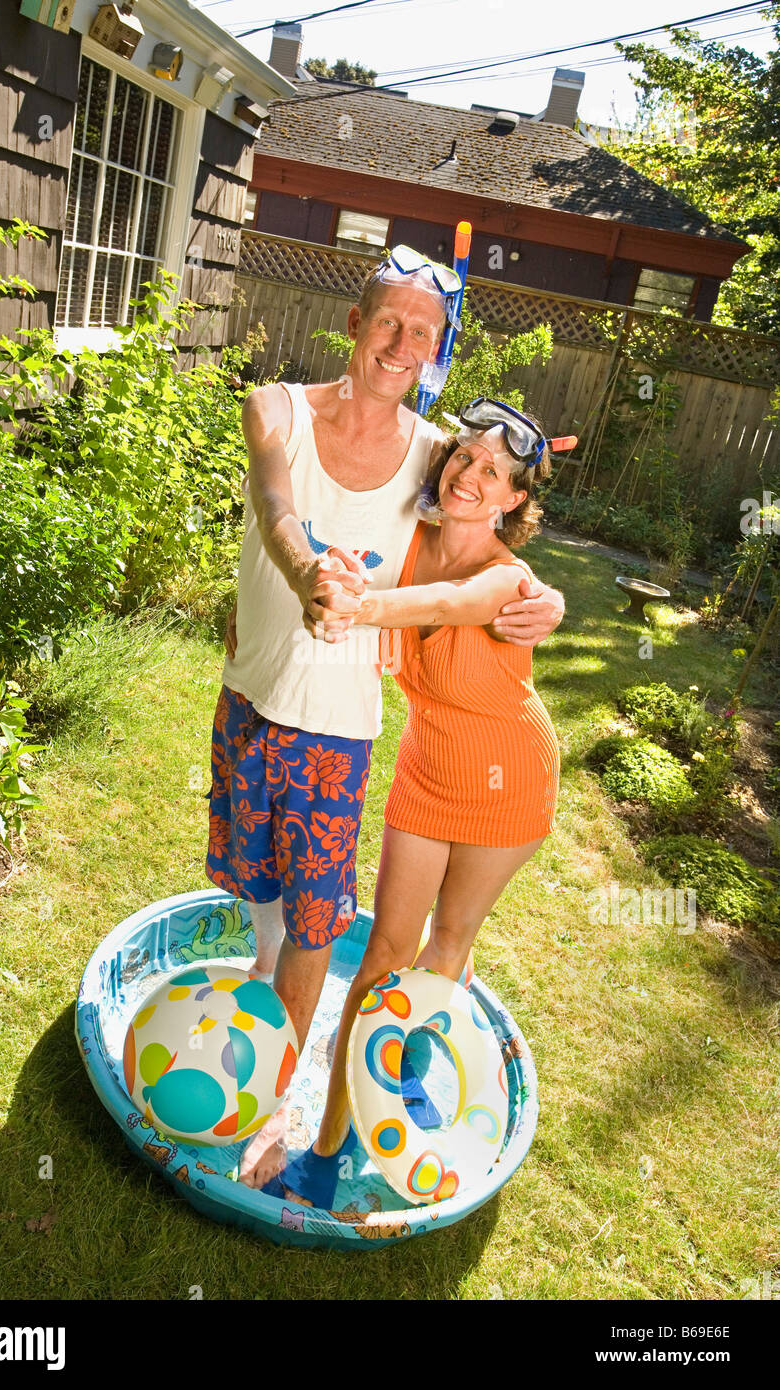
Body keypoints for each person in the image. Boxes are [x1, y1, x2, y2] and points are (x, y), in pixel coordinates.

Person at [205, 249, 566, 1192]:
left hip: (421, 754)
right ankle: (306, 1080)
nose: (401, 343)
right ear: (357, 320)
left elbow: (465, 586)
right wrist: (302, 571)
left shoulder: (461, 512)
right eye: (389, 321)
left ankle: (338, 1100)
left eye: (424, 332)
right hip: (330, 733)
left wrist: (543, 600)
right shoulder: (292, 416)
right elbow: (280, 503)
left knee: (377, 933)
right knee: (322, 925)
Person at [270, 397, 563, 1209]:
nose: (472, 478)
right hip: (427, 773)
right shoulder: (412, 537)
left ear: (515, 500)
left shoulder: (506, 577)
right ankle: (327, 1148)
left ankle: (407, 1074)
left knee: (447, 948)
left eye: (496, 475)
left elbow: (432, 608)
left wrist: (350, 606)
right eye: (467, 459)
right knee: (382, 956)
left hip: (511, 779)